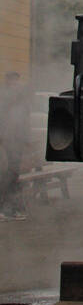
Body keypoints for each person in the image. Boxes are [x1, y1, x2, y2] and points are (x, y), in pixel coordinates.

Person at [0, 72, 31, 220]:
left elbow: (23, 120)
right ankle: (5, 208)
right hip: (9, 140)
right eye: (14, 82)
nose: (17, 85)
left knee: (13, 173)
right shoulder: (6, 99)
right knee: (10, 174)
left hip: (15, 140)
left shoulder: (18, 100)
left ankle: (11, 207)